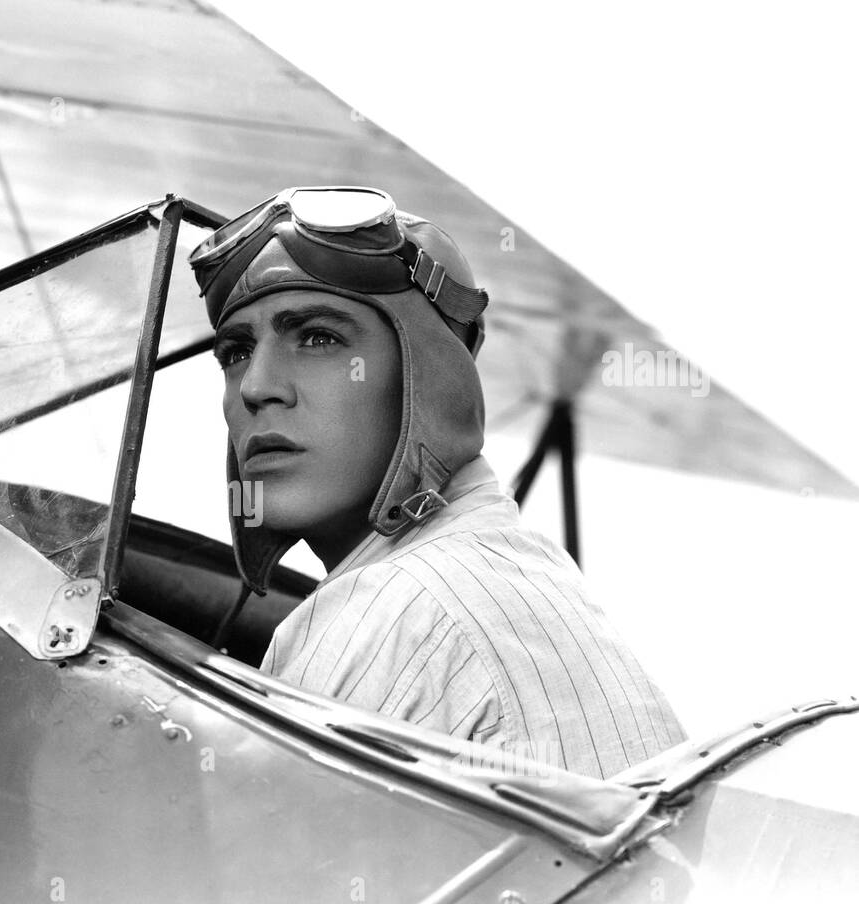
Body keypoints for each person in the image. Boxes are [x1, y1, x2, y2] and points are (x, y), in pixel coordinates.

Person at [189, 186, 685, 780]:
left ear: (429, 375)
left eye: (319, 338)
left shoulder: (397, 611)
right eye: (235, 352)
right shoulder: (500, 572)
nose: (256, 386)